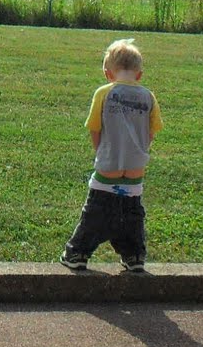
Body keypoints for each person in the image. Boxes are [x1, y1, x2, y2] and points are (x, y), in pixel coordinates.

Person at [59, 37, 162, 273]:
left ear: (108, 73)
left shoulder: (104, 93)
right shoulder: (149, 97)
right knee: (133, 214)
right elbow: (152, 131)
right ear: (139, 75)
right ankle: (134, 255)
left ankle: (77, 252)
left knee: (95, 213)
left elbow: (95, 128)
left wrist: (101, 151)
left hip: (109, 165)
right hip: (136, 167)